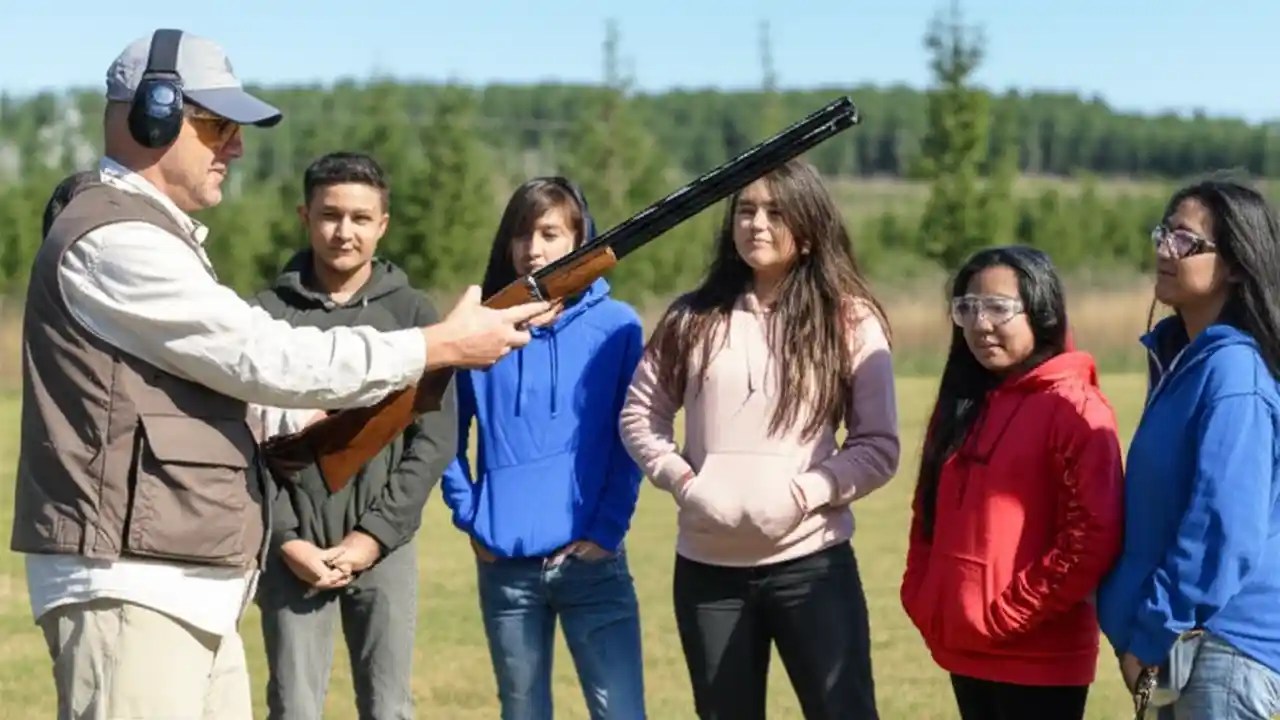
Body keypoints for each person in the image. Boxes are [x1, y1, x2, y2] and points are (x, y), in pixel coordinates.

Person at [10, 30, 547, 720]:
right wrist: (437, 345)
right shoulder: (117, 239)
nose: (234, 146)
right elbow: (263, 355)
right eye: (218, 125)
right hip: (131, 583)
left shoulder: (149, 235)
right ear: (157, 112)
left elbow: (222, 389)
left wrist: (300, 418)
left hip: (176, 579)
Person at [618, 158, 899, 720]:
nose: (757, 224)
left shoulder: (849, 319)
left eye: (775, 211)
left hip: (812, 566)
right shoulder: (690, 317)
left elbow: (878, 446)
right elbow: (639, 417)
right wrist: (684, 482)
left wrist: (805, 494)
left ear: (809, 225)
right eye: (745, 210)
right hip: (707, 573)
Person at [251, 151, 457, 719]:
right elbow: (245, 445)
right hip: (292, 551)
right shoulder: (266, 318)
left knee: (388, 708)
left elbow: (434, 442)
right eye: (330, 215)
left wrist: (373, 537)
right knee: (293, 707)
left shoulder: (416, 315)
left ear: (383, 224)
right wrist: (286, 540)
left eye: (361, 218)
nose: (344, 232)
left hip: (384, 546)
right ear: (305, 215)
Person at [439, 176, 648, 720]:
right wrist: (471, 515)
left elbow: (633, 438)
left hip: (592, 564)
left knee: (621, 711)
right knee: (522, 710)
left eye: (550, 233)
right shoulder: (480, 332)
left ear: (581, 240)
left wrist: (606, 531)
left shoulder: (618, 328)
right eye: (521, 234)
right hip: (505, 567)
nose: (533, 248)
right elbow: (443, 436)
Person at [899, 245, 1125, 720]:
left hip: (1041, 660)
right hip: (964, 648)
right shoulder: (962, 402)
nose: (980, 324)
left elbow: (1092, 538)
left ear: (1040, 312)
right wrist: (923, 596)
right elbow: (928, 514)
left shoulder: (1076, 408)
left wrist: (1004, 614)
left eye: (998, 308)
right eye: (967, 308)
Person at [1097, 178, 1280, 719]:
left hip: (1216, 650)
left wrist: (1151, 637)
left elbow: (1223, 527)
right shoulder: (1186, 361)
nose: (1164, 251)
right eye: (1163, 234)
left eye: (1186, 241)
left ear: (1237, 265)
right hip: (1186, 648)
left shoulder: (1233, 371)